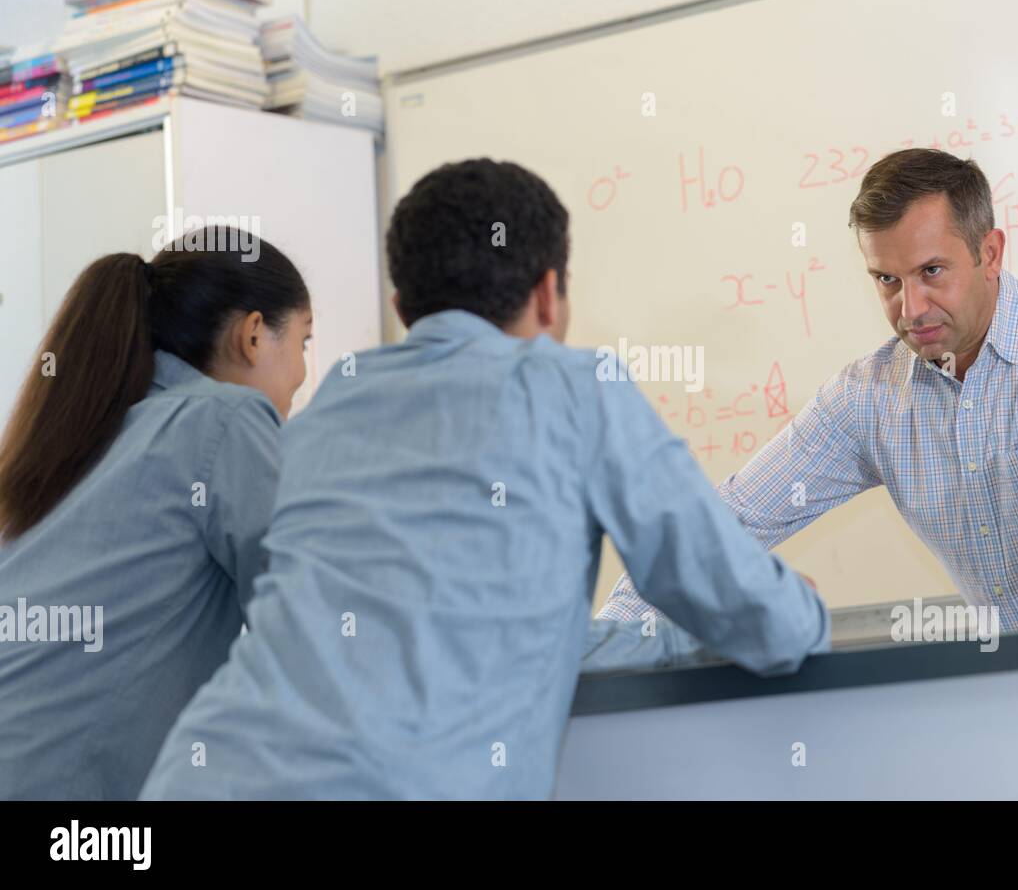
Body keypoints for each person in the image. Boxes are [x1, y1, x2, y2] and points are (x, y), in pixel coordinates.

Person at [141, 158, 829, 800]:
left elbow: (444, 634)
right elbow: (737, 602)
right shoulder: (576, 389)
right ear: (549, 294)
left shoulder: (331, 408)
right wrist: (798, 609)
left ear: (403, 307)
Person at [601, 148, 1018, 633]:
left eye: (931, 272)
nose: (911, 308)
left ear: (991, 252)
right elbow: (730, 520)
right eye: (886, 281)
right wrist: (601, 647)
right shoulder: (867, 401)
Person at [0, 226, 312, 799]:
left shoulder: (79, 430)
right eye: (304, 343)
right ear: (252, 335)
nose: (301, 375)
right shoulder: (226, 419)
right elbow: (307, 625)